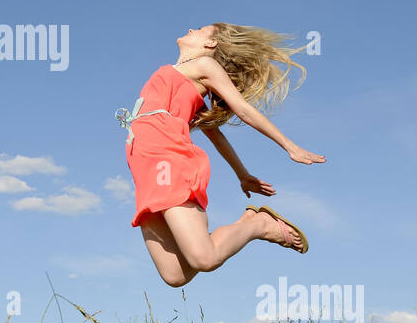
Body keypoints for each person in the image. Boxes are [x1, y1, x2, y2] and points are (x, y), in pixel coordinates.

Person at [116, 23, 325, 287]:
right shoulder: (177, 77)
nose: (192, 29)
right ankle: (250, 222)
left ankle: (258, 224)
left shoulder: (204, 65)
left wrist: (288, 145)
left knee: (205, 259)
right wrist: (243, 174)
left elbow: (243, 109)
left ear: (210, 45)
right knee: (175, 275)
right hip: (145, 172)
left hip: (167, 161)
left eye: (201, 30)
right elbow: (215, 134)